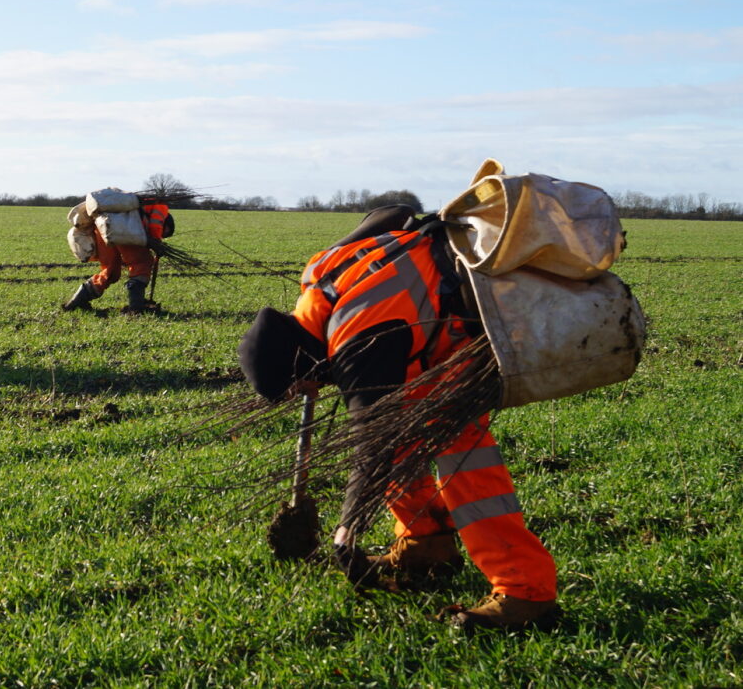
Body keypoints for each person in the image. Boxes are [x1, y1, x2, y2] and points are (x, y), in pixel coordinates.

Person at [237, 205, 558, 631]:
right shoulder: (319, 277)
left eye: (301, 387)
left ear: (301, 364)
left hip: (456, 333)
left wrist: (347, 529)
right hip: (425, 333)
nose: (311, 393)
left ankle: (526, 592)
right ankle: (428, 544)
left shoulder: (357, 342)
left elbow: (372, 446)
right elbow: (392, 212)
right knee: (400, 431)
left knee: (463, 459)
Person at [63, 201, 171, 313]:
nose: (163, 234)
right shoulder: (161, 207)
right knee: (141, 263)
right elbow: (155, 227)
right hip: (122, 228)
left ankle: (76, 302)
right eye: (165, 232)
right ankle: (136, 307)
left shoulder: (142, 206)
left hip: (102, 227)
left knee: (111, 271)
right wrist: (157, 244)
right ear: (167, 222)